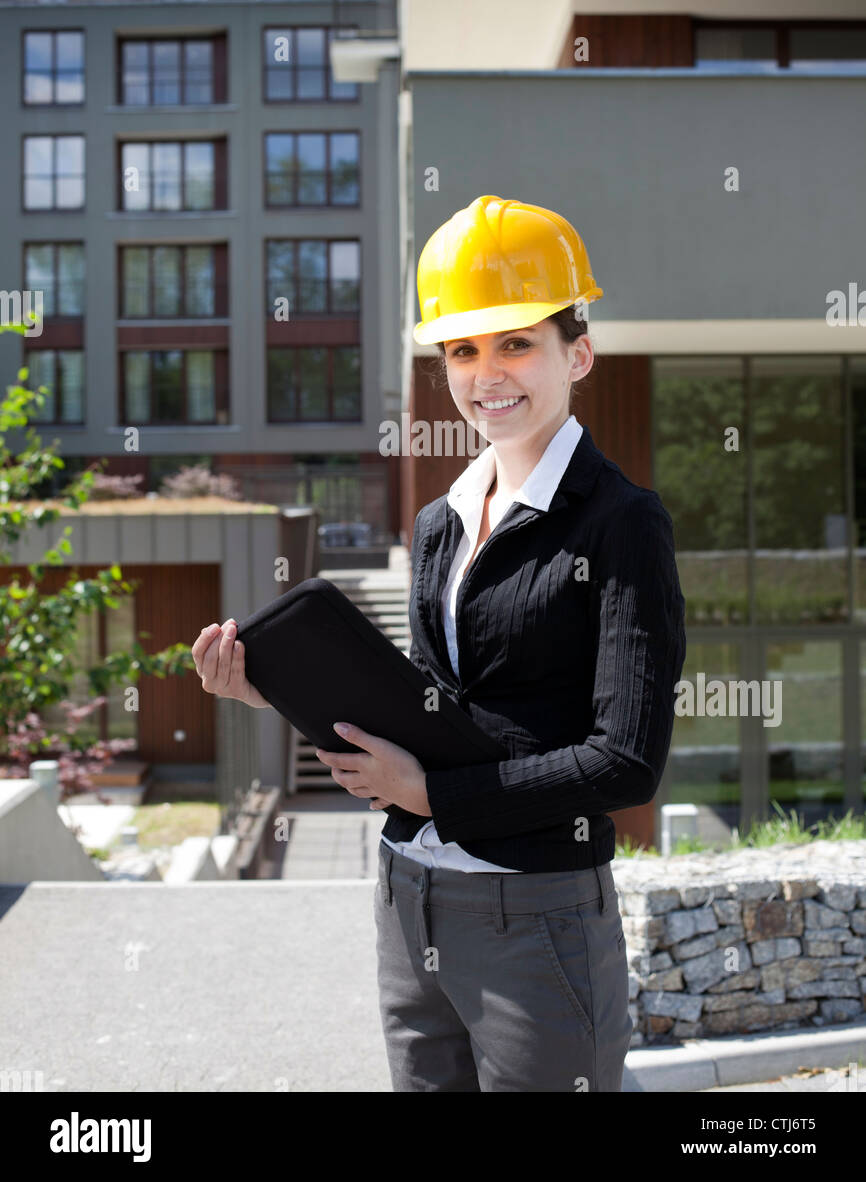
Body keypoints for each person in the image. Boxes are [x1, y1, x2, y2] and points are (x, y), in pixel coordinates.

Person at [192, 194, 687, 1093]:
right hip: (406, 893)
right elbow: (430, 705)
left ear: (577, 351)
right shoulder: (437, 524)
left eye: (515, 342)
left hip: (536, 912)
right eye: (462, 348)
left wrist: (433, 792)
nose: (485, 373)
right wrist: (284, 692)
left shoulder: (622, 525)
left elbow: (626, 763)